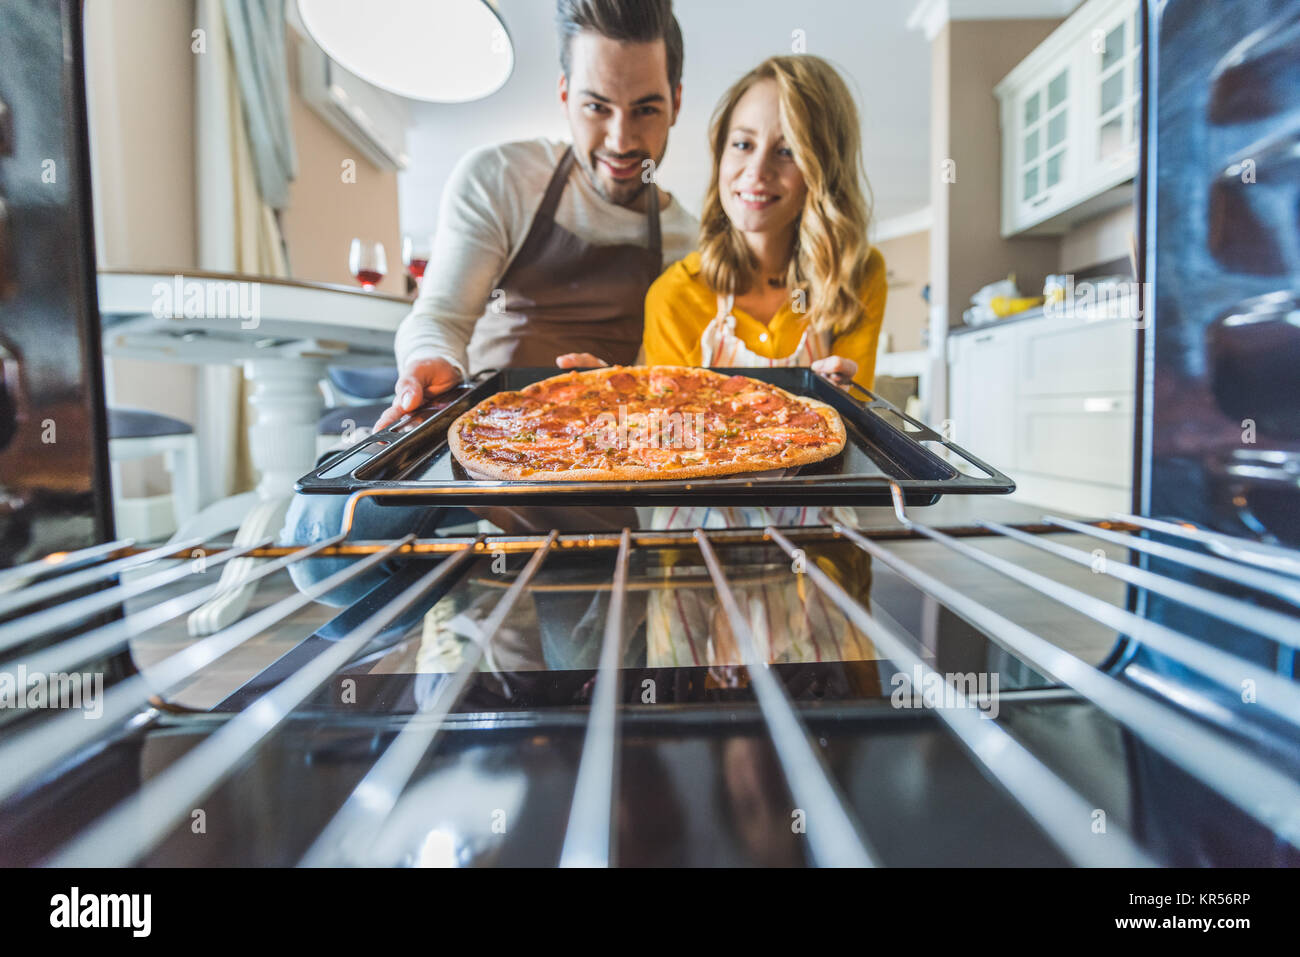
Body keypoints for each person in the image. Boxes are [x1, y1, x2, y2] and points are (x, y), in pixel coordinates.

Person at [283, 0, 697, 617]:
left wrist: (620, 392)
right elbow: (440, 318)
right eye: (596, 106)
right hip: (476, 437)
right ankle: (431, 625)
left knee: (580, 650)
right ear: (563, 95)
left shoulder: (687, 239)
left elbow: (661, 377)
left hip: (600, 464)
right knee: (324, 539)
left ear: (676, 104)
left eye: (645, 109)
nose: (620, 139)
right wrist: (430, 358)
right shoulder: (501, 177)